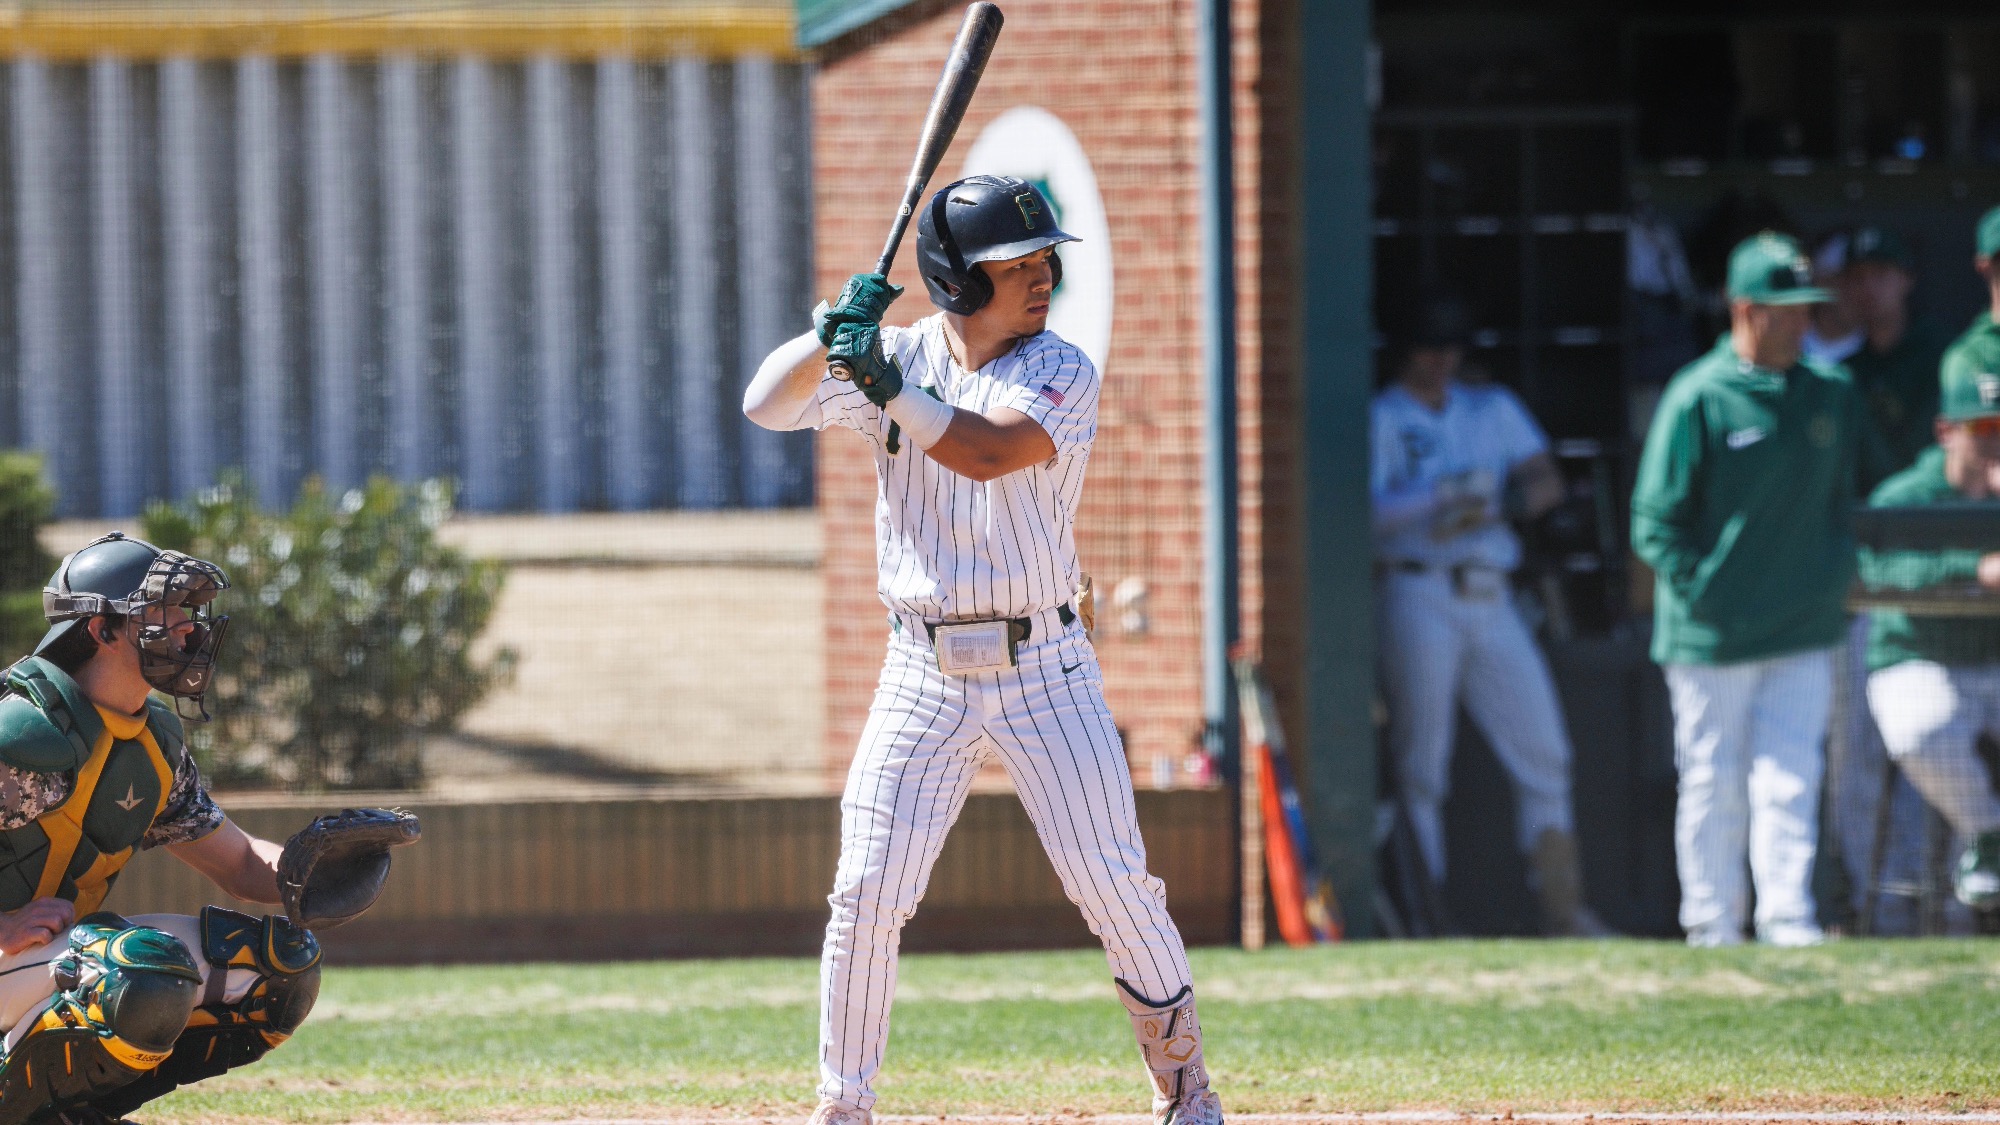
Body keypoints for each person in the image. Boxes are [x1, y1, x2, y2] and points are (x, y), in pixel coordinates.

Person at [742, 176, 1222, 1125]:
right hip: (919, 668)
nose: (1040, 279)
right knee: (867, 891)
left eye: (1044, 262)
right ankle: (844, 1109)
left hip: (1046, 665)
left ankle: (1187, 1094)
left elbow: (989, 450)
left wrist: (886, 385)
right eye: (1014, 267)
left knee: (1114, 884)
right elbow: (766, 404)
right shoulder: (901, 350)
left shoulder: (1061, 367)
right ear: (956, 282)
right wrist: (834, 329)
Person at [0, 532, 415, 1125]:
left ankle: (73, 1112)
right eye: (163, 614)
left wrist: (309, 867)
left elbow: (239, 864)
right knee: (140, 971)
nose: (189, 630)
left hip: (25, 964)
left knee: (278, 968)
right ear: (102, 629)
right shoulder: (23, 731)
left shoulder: (151, 743)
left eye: (189, 614)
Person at [1631, 231, 1861, 947]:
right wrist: (1705, 588)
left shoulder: (1833, 394)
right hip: (1713, 635)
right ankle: (1712, 922)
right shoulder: (1698, 396)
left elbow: (1856, 497)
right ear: (1744, 310)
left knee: (1791, 772)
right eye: (1783, 308)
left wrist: (1829, 577)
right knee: (1713, 778)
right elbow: (1653, 520)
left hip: (1803, 626)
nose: (1800, 321)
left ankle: (1786, 916)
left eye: (1805, 308)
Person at [1368, 294, 1610, 937]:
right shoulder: (1385, 416)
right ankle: (1431, 916)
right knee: (1423, 764)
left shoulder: (1489, 407)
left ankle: (1562, 907)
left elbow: (1546, 480)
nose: (1442, 359)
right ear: (1405, 349)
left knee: (1546, 751)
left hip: (1490, 591)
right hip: (1419, 587)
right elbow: (1364, 513)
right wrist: (1440, 499)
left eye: (1450, 347)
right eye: (1429, 347)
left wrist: (1498, 498)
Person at [1859, 339, 2000, 912]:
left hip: (1992, 662)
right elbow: (1882, 570)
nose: (1994, 440)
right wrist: (1973, 569)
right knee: (1925, 729)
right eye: (1982, 427)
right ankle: (1989, 835)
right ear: (1947, 431)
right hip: (1917, 659)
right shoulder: (1907, 493)